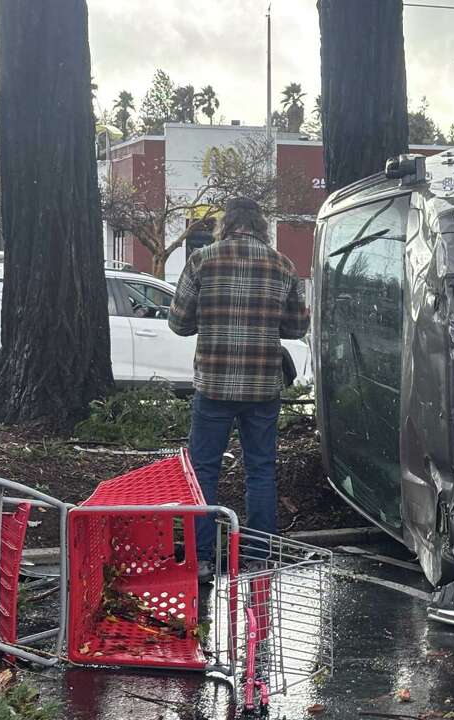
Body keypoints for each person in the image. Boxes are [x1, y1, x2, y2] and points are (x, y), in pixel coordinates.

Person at [169, 197, 309, 581]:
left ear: (225, 224)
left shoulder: (201, 260)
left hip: (213, 383)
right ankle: (260, 557)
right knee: (261, 469)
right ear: (260, 225)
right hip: (263, 386)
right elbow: (297, 328)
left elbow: (178, 323)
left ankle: (201, 560)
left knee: (202, 471)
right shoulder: (282, 265)